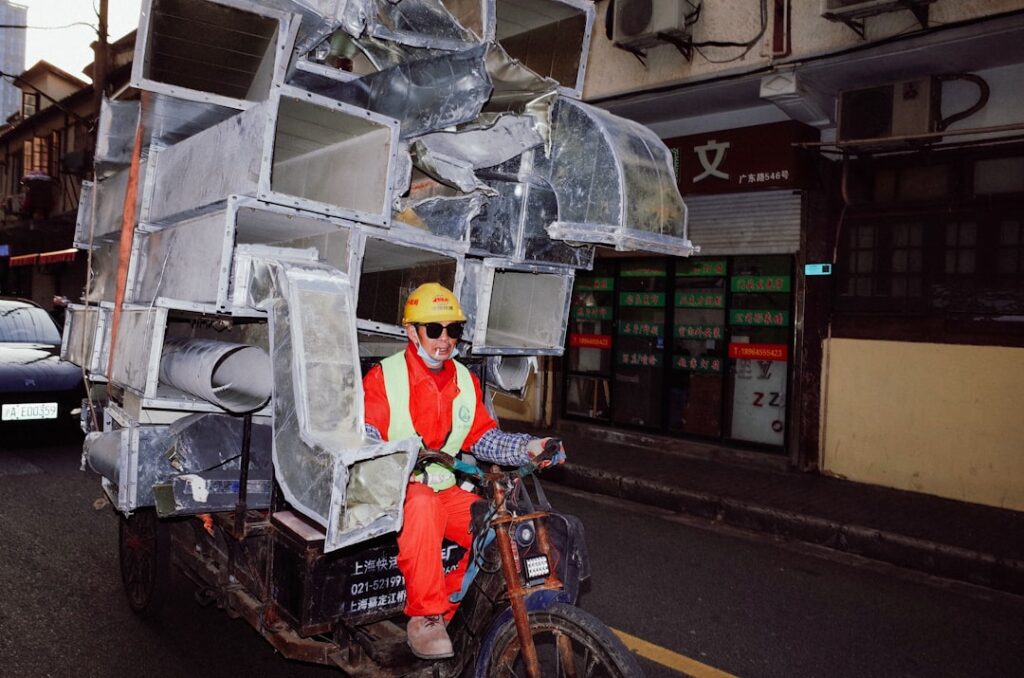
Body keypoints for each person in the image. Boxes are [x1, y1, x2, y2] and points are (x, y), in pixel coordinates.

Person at [362, 282, 565, 660]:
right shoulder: (384, 377)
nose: (445, 340)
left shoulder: (464, 381)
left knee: (500, 526)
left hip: (448, 490)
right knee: (423, 505)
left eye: (452, 330)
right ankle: (425, 616)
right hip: (397, 490)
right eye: (434, 330)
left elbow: (484, 438)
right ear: (412, 332)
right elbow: (368, 436)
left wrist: (529, 446)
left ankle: (450, 607)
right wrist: (399, 455)